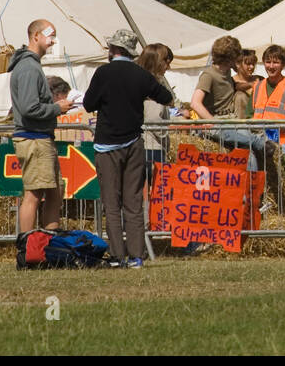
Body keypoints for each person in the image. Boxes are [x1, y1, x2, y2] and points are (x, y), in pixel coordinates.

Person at [83, 31, 173, 268]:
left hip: (107, 144)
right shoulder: (141, 74)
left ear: (113, 49)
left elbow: (88, 103)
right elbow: (166, 97)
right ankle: (136, 256)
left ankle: (116, 256)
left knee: (112, 203)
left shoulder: (103, 73)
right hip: (134, 143)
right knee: (134, 203)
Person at [9, 19, 73, 234]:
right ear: (35, 36)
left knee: (54, 192)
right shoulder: (28, 68)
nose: (53, 41)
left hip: (40, 138)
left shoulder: (31, 65)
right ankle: (27, 246)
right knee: (34, 194)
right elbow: (29, 108)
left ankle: (49, 243)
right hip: (33, 138)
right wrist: (58, 108)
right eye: (49, 35)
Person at [193, 35, 276, 181]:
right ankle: (261, 144)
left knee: (248, 153)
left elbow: (231, 87)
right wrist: (213, 121)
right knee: (251, 141)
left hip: (230, 120)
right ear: (230, 57)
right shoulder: (208, 75)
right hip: (216, 123)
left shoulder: (227, 73)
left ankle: (252, 195)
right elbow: (195, 103)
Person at [250, 44, 285, 152]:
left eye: (275, 62)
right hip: (258, 142)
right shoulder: (257, 87)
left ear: (283, 65)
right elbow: (248, 116)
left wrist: (270, 127)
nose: (271, 66)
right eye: (268, 62)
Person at [137, 42, 175, 179]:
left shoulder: (139, 82)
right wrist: (166, 136)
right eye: (166, 61)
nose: (168, 66)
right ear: (158, 61)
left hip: (144, 145)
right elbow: (153, 118)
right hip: (152, 146)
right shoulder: (152, 86)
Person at [231, 49, 261, 119]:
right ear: (238, 64)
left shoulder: (260, 79)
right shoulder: (231, 82)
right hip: (240, 126)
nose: (252, 67)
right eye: (248, 64)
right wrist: (250, 85)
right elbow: (237, 86)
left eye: (253, 64)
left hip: (259, 123)